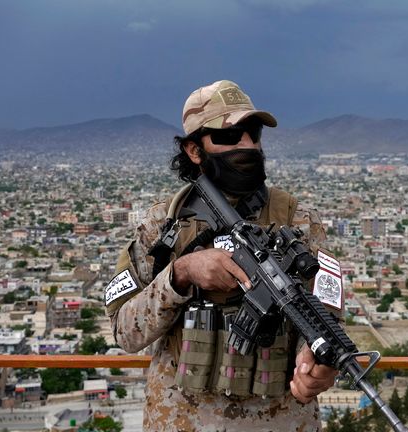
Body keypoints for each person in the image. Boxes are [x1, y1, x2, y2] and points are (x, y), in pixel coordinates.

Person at [106, 80, 340, 431]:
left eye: (252, 132)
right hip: (180, 421)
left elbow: (327, 314)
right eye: (228, 137)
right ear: (194, 150)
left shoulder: (298, 220)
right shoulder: (162, 224)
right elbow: (125, 333)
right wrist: (180, 274)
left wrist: (320, 364)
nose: (245, 144)